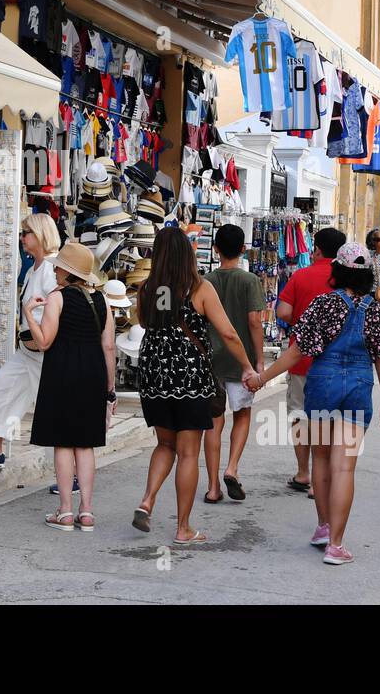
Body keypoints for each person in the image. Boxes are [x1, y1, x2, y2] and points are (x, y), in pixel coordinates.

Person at [252, 243, 380, 565]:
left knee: (320, 460)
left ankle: (322, 527)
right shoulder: (376, 310)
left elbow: (296, 352)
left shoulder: (323, 304)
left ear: (338, 270)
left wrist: (262, 378)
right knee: (344, 466)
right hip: (359, 387)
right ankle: (336, 544)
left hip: (322, 385)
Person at [132, 226, 257, 546]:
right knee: (188, 453)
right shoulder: (198, 287)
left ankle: (147, 499)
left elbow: (145, 323)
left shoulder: (148, 288)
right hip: (189, 379)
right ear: (187, 254)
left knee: (164, 445)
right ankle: (183, 528)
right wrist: (246, 365)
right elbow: (228, 333)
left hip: (154, 377)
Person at [26, 241, 114, 532]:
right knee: (85, 444)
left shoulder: (57, 298)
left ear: (66, 270)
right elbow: (109, 346)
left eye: (58, 266)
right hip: (93, 374)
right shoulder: (103, 301)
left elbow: (44, 341)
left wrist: (29, 314)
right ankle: (86, 512)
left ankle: (64, 512)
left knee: (63, 443)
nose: (54, 270)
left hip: (62, 372)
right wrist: (110, 390)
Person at [0, 214, 60, 469]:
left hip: (44, 351)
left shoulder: (51, 269)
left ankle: (67, 472)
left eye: (26, 232)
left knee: (52, 409)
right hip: (27, 350)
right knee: (3, 386)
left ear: (39, 235)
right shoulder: (33, 270)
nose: (22, 237)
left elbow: (56, 310)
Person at [276, 226, 347, 496]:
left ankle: (304, 472)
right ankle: (324, 476)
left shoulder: (301, 276)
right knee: (328, 420)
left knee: (299, 416)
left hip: (301, 359)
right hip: (335, 362)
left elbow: (283, 310)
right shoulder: (346, 279)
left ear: (316, 249)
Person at [201, 224, 266, 504]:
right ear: (243, 249)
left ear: (215, 249)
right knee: (241, 415)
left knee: (213, 424)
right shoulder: (249, 280)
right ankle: (232, 468)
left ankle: (213, 487)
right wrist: (259, 360)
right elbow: (254, 321)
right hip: (242, 362)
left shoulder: (205, 281)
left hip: (212, 359)